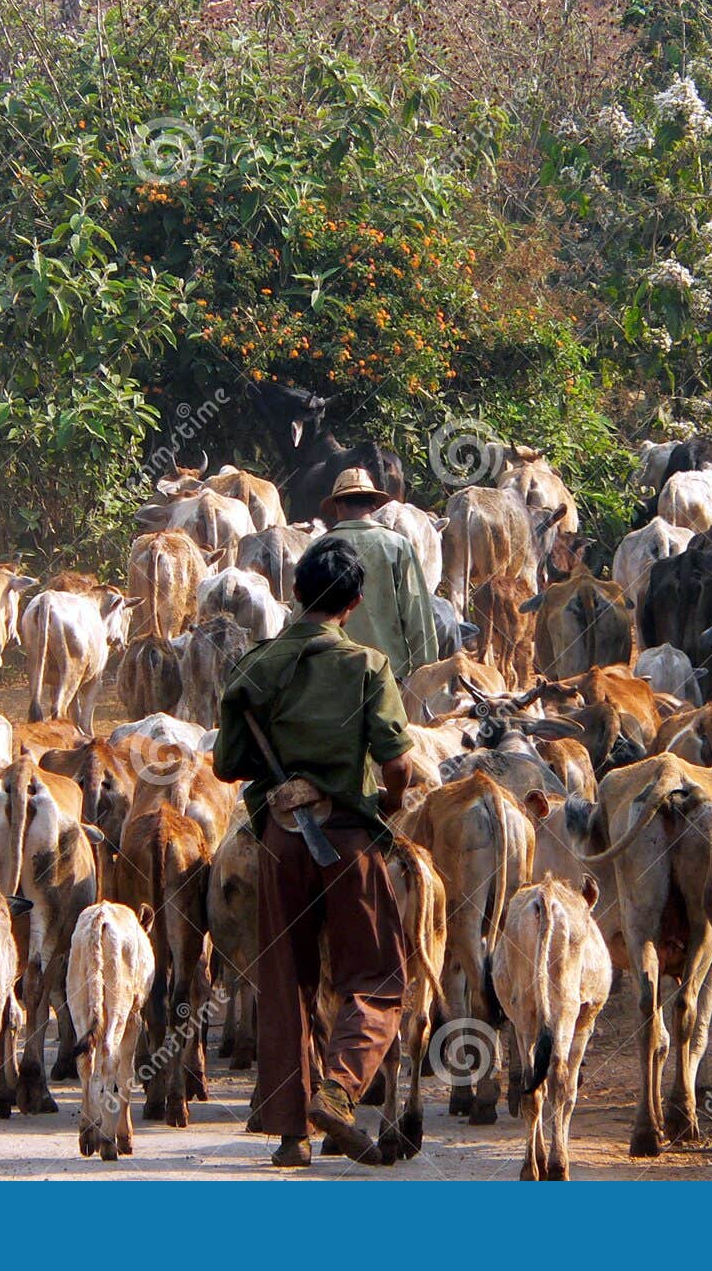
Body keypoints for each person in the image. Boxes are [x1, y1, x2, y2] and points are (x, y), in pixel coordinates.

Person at [214, 536, 413, 1168]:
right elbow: (396, 761)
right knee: (376, 973)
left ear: (296, 594)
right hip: (347, 837)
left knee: (285, 978)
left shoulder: (255, 665)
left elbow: (227, 764)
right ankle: (341, 1088)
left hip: (279, 837)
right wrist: (389, 802)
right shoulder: (369, 667)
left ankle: (292, 1135)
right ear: (354, 603)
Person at [317, 468, 438, 680]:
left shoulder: (319, 547)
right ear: (373, 505)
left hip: (332, 674)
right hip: (387, 674)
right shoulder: (398, 546)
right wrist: (426, 671)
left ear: (338, 505)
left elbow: (301, 615)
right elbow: (416, 610)